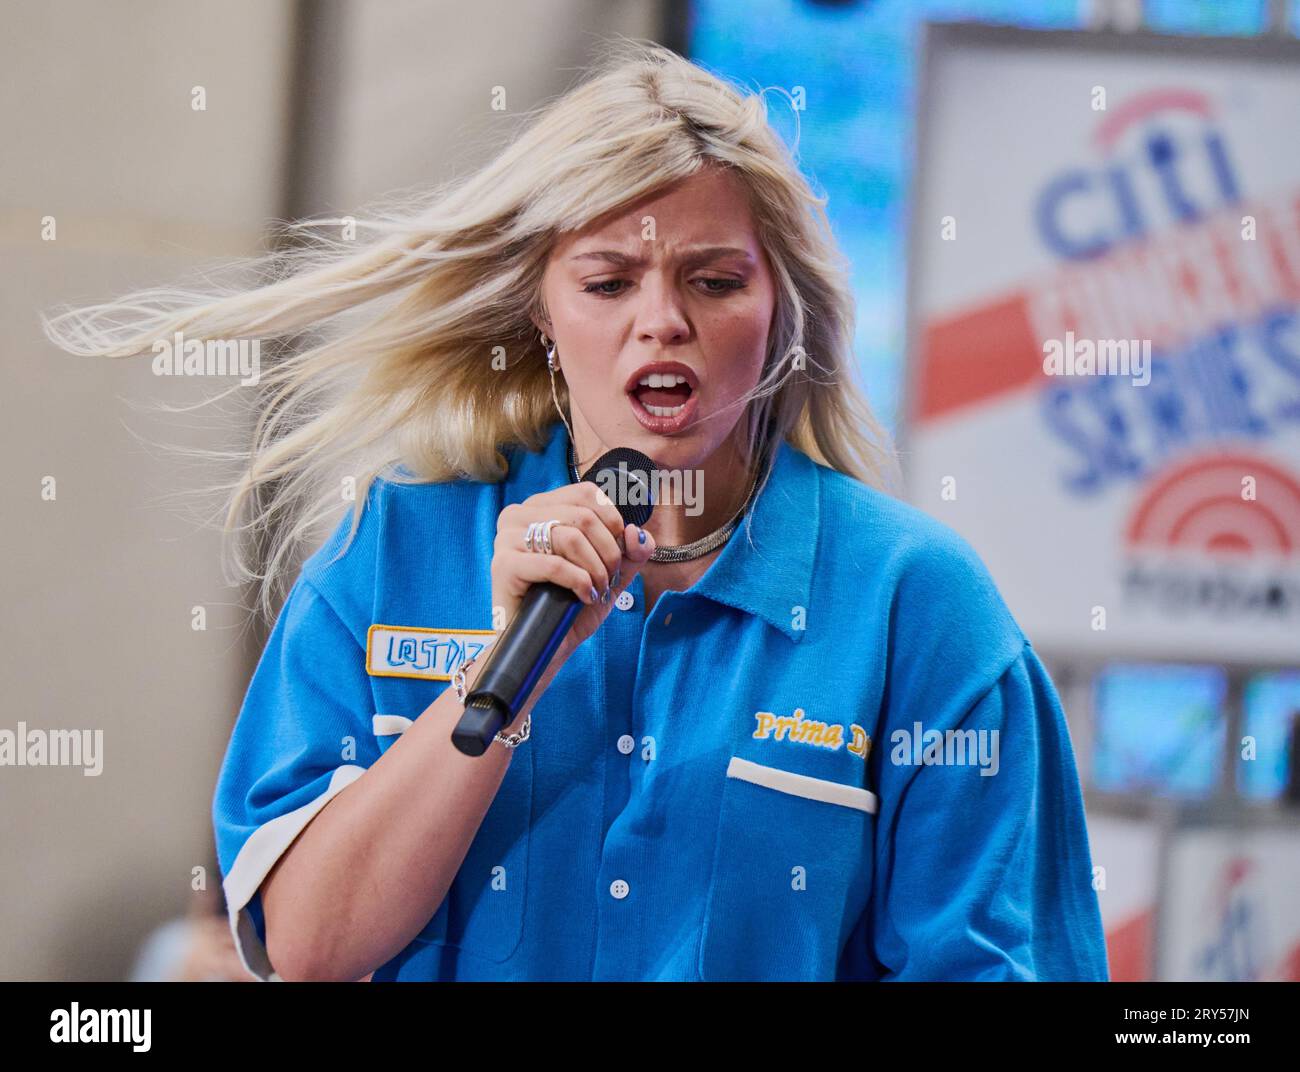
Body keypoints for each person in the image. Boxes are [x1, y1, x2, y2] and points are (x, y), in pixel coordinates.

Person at [44, 40, 1108, 982]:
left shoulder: (912, 603)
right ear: (541, 313)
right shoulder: (395, 552)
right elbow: (308, 947)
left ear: (778, 306)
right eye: (608, 282)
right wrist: (503, 677)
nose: (662, 323)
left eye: (712, 280)